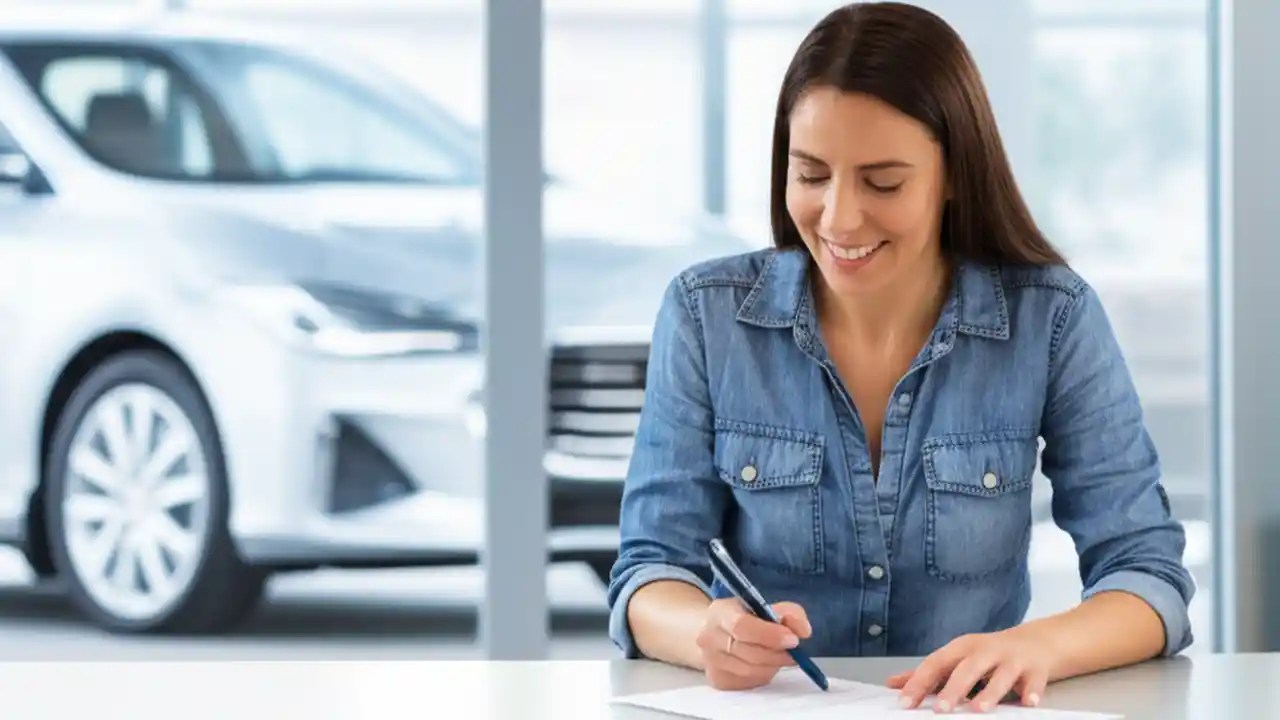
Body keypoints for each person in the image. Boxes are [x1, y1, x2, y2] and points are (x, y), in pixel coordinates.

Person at [605, 1, 1195, 714]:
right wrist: (707, 631)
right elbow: (648, 571)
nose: (840, 217)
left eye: (883, 182)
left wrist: (1038, 647)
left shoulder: (1052, 318)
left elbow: (1146, 573)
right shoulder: (706, 316)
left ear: (953, 175)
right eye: (811, 175)